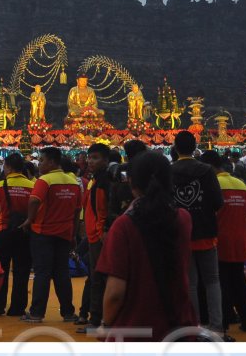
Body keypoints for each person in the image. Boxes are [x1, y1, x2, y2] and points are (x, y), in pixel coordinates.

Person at [96, 150, 197, 342]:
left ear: (132, 182)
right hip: (178, 325)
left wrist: (105, 325)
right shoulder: (184, 219)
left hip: (135, 329)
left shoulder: (123, 225)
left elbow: (115, 291)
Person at [170, 130, 227, 338]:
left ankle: (194, 325)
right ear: (195, 148)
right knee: (212, 280)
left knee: (190, 282)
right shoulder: (205, 170)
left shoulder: (169, 171)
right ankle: (217, 325)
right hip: (206, 231)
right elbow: (218, 203)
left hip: (181, 234)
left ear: (175, 148)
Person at [20, 146, 80, 324]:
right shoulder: (74, 182)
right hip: (64, 234)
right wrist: (73, 234)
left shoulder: (44, 181)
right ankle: (68, 312)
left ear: (52, 162)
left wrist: (29, 220)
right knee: (62, 273)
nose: (39, 164)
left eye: (42, 160)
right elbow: (77, 211)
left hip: (43, 233)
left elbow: (33, 200)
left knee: (42, 273)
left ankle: (37, 313)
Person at [208, 151, 246, 334]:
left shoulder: (213, 184)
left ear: (211, 168)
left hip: (220, 242)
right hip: (240, 241)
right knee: (240, 283)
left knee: (222, 283)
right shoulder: (241, 185)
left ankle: (226, 319)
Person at [0, 152, 34, 316]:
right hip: (25, 232)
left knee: (1, 270)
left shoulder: (0, 185)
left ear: (8, 167)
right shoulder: (32, 185)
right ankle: (17, 308)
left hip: (3, 232)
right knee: (22, 270)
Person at [76, 142, 112, 334]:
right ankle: (96, 318)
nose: (90, 161)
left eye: (95, 158)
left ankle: (97, 321)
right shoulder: (96, 180)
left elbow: (102, 212)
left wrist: (99, 234)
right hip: (93, 236)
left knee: (99, 279)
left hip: (98, 238)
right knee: (96, 278)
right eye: (89, 157)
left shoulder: (103, 181)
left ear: (106, 160)